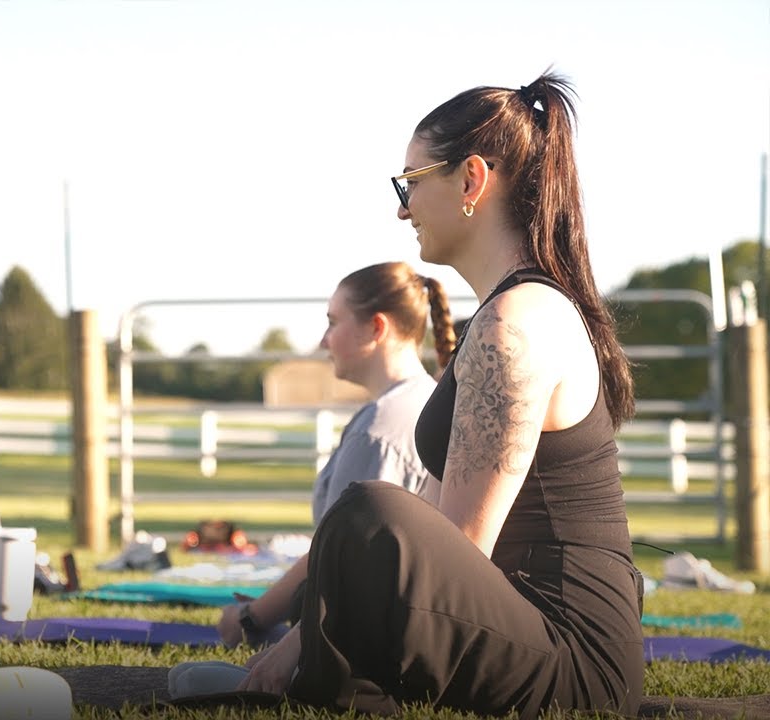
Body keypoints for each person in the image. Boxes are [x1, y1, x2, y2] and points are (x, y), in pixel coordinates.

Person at [235, 73, 644, 717]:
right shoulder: (507, 314)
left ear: (471, 180)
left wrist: (300, 645)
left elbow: (459, 545)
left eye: (411, 182)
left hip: (572, 665)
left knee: (370, 516)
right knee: (372, 517)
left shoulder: (517, 324)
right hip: (528, 629)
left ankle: (323, 684)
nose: (403, 208)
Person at [215, 261, 454, 647]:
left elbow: (336, 559)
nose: (325, 340)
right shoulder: (422, 401)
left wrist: (250, 618)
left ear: (377, 328)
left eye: (333, 322)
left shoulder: (380, 427)